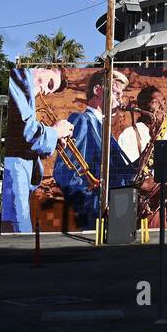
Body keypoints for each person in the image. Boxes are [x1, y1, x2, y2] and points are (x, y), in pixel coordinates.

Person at [52, 70, 135, 229]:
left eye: (121, 94)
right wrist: (94, 208)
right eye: (116, 92)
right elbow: (64, 173)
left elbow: (117, 173)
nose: (120, 98)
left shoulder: (104, 128)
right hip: (96, 218)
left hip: (115, 215)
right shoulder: (82, 120)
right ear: (98, 90)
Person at [0, 67, 75, 234]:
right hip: (16, 172)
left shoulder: (25, 88)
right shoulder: (19, 78)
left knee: (21, 231)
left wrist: (53, 140)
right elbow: (27, 132)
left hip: (23, 176)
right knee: (21, 232)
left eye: (50, 90)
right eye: (50, 83)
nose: (46, 91)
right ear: (45, 68)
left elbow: (25, 139)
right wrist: (55, 132)